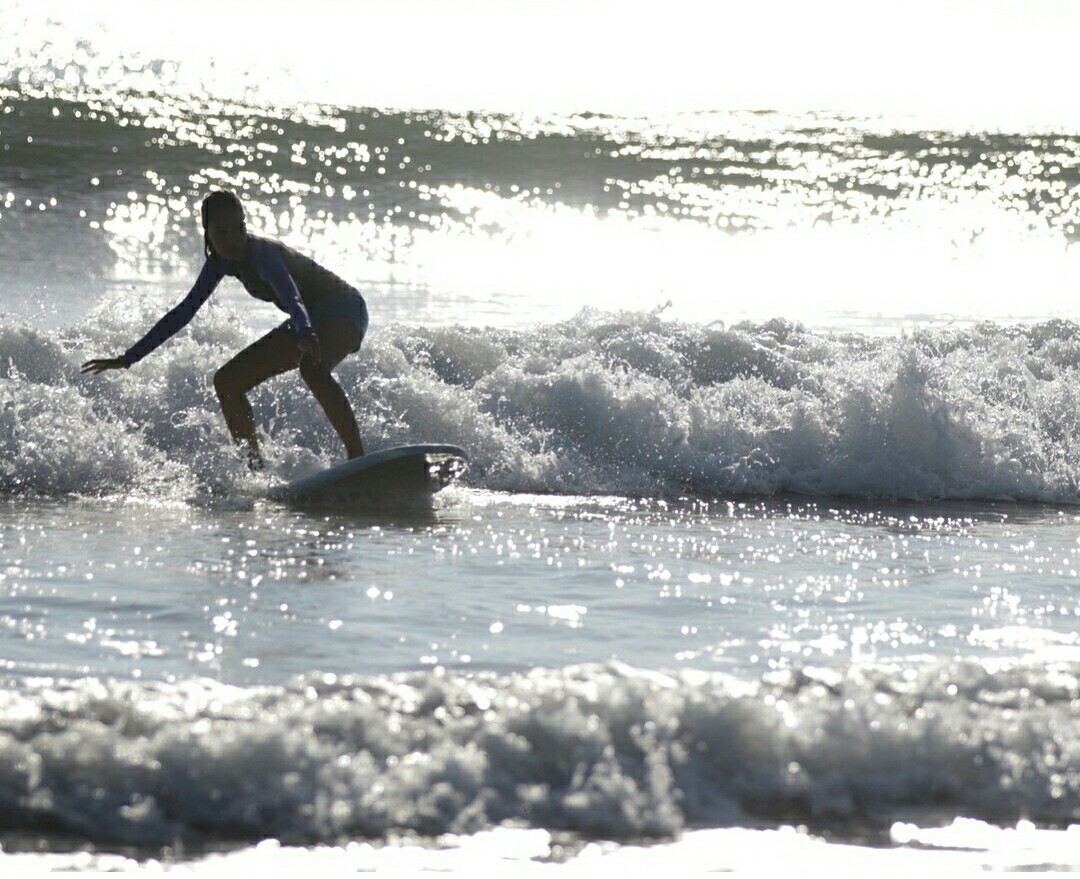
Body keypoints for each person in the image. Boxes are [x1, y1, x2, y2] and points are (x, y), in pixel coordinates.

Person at [81, 189, 367, 470]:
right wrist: (129, 357)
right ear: (208, 235)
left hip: (342, 307)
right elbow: (183, 312)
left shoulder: (264, 255)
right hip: (308, 320)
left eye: (237, 228)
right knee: (227, 382)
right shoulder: (219, 263)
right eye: (221, 233)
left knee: (312, 369)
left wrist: (305, 332)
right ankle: (254, 470)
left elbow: (290, 294)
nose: (231, 239)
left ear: (245, 225)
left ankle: (358, 459)